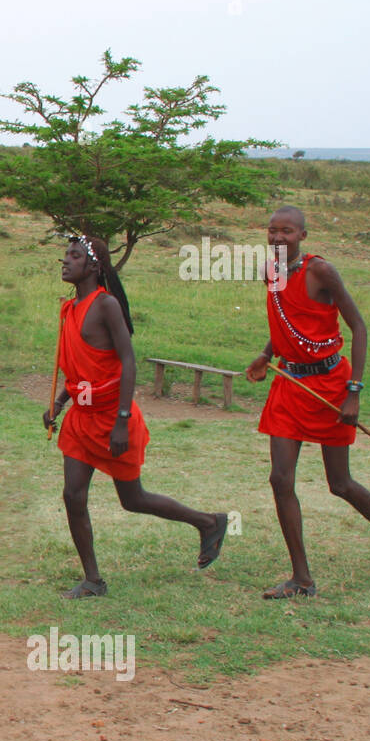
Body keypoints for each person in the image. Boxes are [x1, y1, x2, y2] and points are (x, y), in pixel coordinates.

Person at [44, 235, 227, 598]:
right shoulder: (70, 307)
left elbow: (128, 362)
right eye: (65, 254)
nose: (65, 261)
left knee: (133, 499)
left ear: (93, 266)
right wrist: (60, 402)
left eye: (74, 255)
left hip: (113, 417)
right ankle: (93, 580)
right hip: (81, 420)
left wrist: (123, 420)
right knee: (73, 495)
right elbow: (79, 368)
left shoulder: (105, 305)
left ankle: (208, 522)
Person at [244, 206, 370, 598]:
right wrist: (267, 354)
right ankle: (301, 578)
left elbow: (359, 326)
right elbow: (284, 324)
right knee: (280, 479)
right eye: (272, 231)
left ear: (302, 235)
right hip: (289, 386)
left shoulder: (322, 272)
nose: (278, 237)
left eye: (287, 231)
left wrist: (354, 391)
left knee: (340, 483)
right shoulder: (270, 271)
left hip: (331, 385)